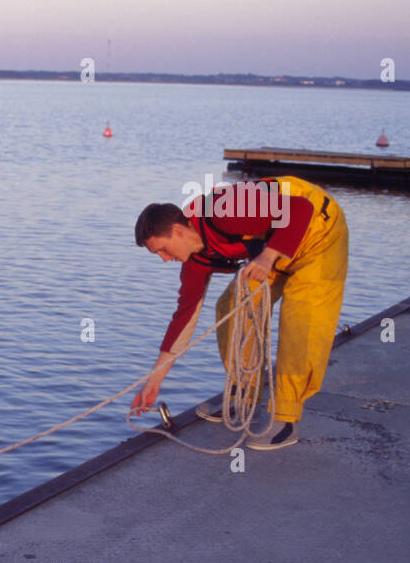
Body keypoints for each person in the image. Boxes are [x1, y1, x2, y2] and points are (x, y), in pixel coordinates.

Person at [129, 175, 349, 450]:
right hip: (278, 247)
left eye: (161, 249)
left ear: (177, 231)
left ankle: (286, 419)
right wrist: (154, 381)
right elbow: (184, 319)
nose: (163, 259)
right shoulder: (195, 261)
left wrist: (268, 256)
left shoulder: (225, 212)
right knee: (232, 307)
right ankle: (243, 398)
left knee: (300, 327)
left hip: (319, 234)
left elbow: (299, 210)